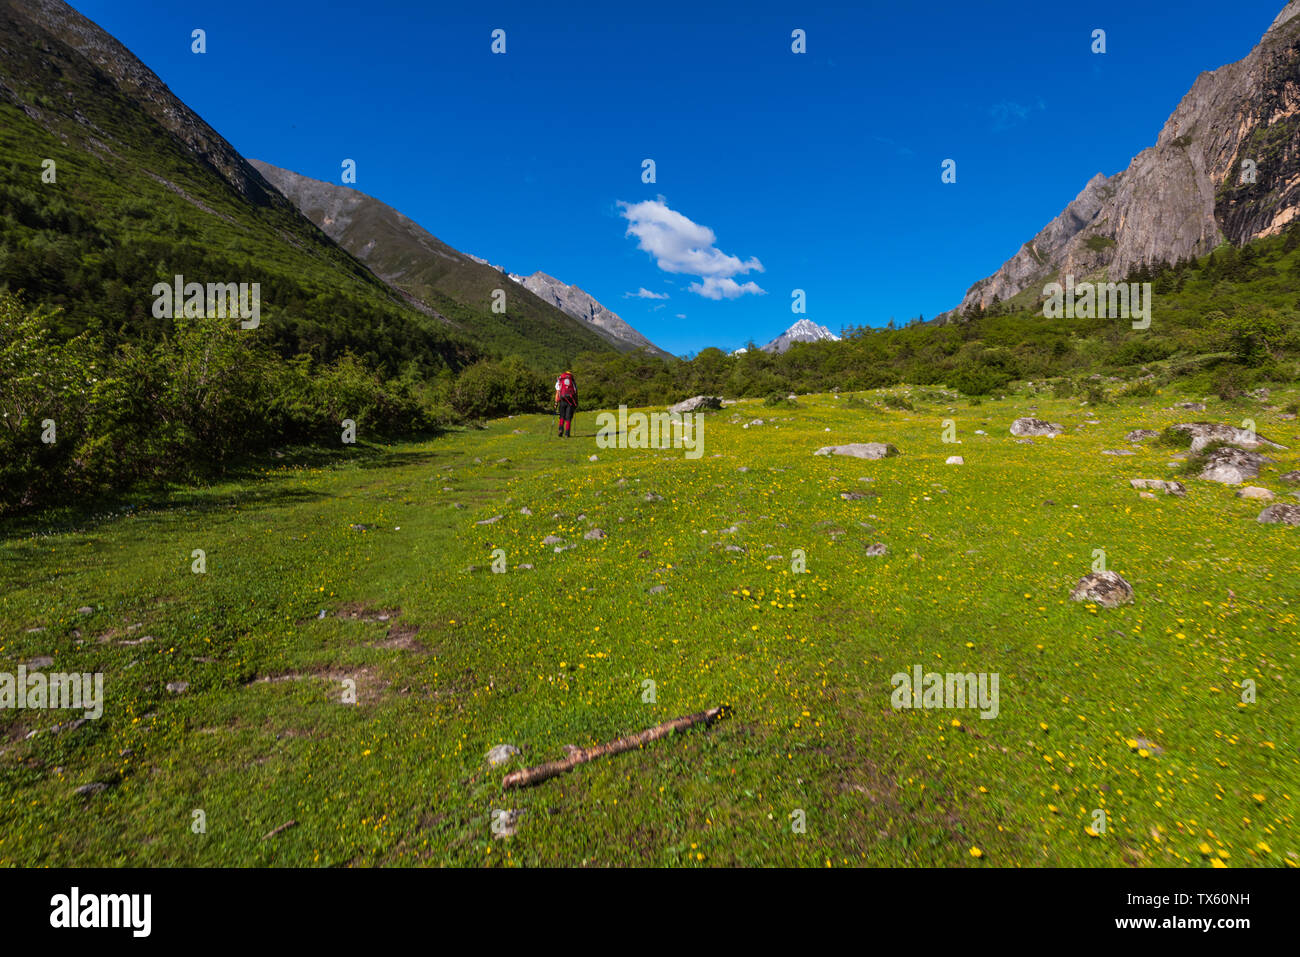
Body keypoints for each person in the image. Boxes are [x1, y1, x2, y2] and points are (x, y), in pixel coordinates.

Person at [554, 369, 578, 438]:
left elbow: (557, 392)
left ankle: (560, 429)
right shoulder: (572, 381)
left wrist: (556, 402)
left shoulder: (560, 380)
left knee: (562, 416)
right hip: (570, 401)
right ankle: (567, 433)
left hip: (562, 400)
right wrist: (576, 402)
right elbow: (575, 392)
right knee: (568, 417)